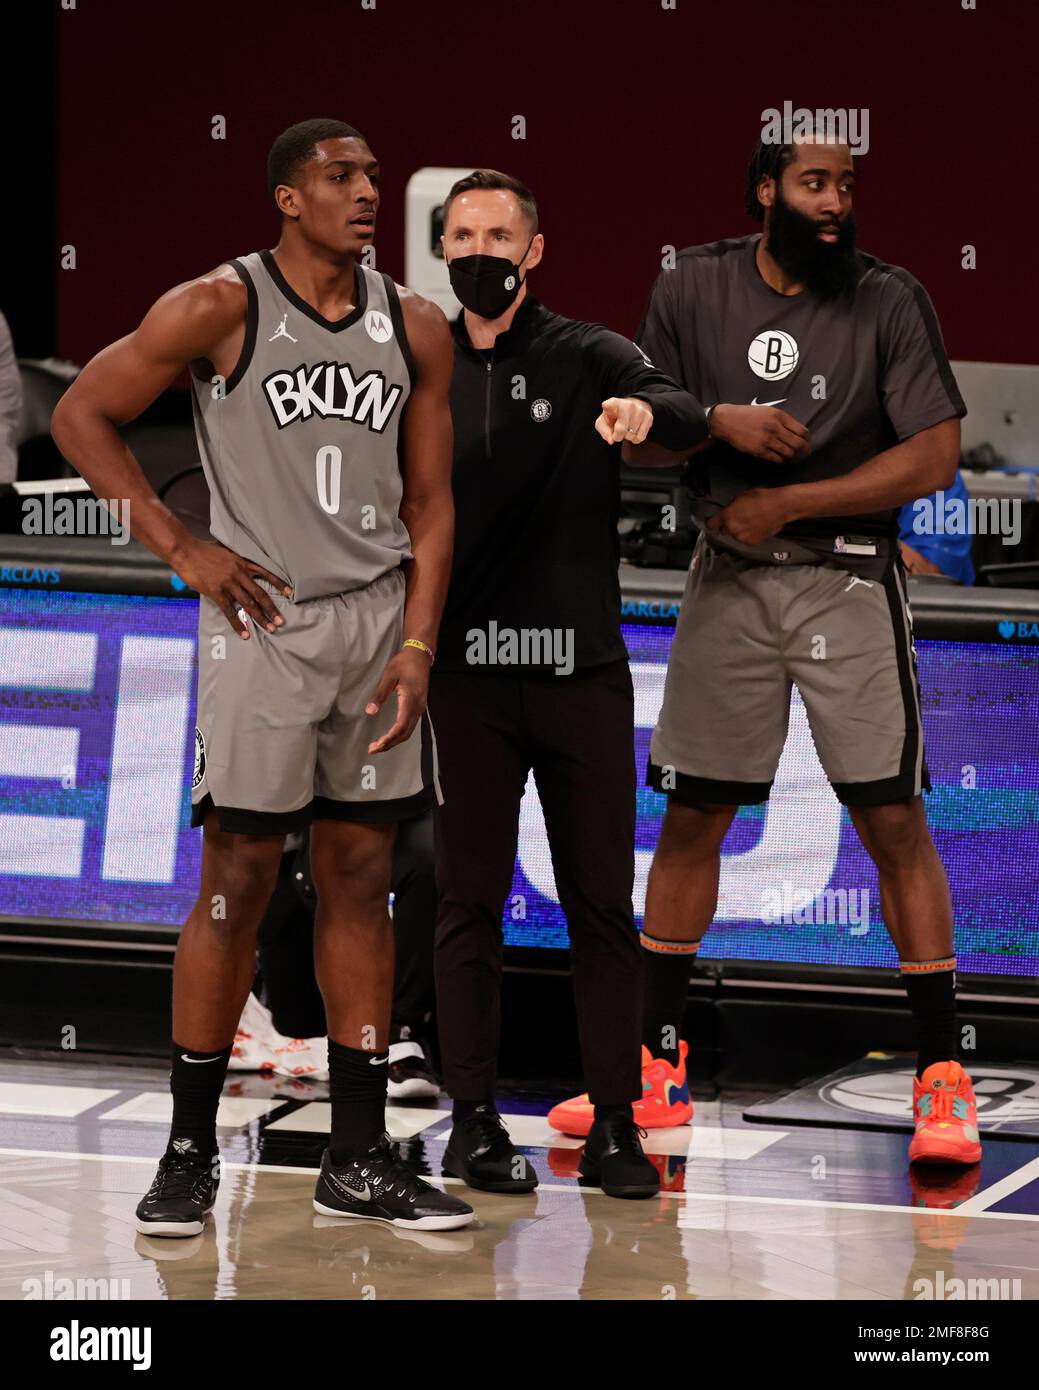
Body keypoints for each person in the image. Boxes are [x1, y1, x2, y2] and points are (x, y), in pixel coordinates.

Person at [51, 118, 474, 1233]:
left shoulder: (415, 323)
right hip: (264, 624)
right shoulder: (219, 305)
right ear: (288, 198)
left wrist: (421, 647)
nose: (368, 191)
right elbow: (79, 413)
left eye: (376, 175)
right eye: (341, 177)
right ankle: (189, 1149)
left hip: (377, 623)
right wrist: (180, 544)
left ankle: (358, 1151)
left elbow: (433, 507)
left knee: (358, 877)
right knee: (235, 875)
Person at [562, 123, 980, 1167]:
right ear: (764, 192)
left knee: (892, 818)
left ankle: (941, 1075)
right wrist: (718, 424)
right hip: (728, 579)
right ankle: (654, 1065)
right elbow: (642, 421)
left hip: (846, 578)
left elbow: (931, 456)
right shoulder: (690, 289)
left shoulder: (889, 297)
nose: (835, 201)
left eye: (845, 184)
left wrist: (789, 501)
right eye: (812, 182)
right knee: (694, 815)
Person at [430, 170, 708, 1200]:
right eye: (462, 233)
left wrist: (643, 414)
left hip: (579, 672)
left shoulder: (586, 350)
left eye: (499, 233)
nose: (480, 249)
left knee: (600, 905)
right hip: (464, 677)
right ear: (442, 246)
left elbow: (681, 410)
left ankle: (617, 1128)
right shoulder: (419, 358)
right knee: (468, 901)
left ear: (533, 249)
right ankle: (470, 1126)